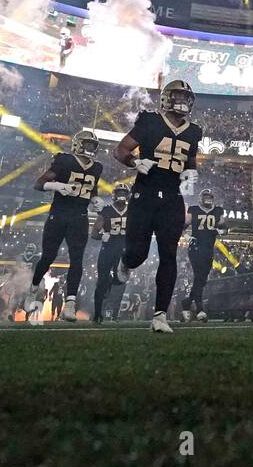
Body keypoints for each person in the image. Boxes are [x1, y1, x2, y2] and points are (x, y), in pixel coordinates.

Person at [112, 80, 203, 334]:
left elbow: (190, 160)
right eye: (178, 95)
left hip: (173, 198)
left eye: (186, 96)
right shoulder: (150, 121)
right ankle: (125, 262)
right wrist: (134, 162)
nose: (182, 101)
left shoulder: (194, 131)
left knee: (169, 254)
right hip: (145, 194)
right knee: (137, 254)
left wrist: (190, 174)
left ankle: (160, 315)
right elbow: (120, 150)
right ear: (166, 98)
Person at [26, 129, 102, 323]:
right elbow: (39, 183)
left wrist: (95, 200)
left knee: (77, 260)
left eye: (93, 145)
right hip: (59, 214)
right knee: (48, 256)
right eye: (88, 144)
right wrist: (57, 186)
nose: (90, 148)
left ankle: (70, 304)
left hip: (80, 216)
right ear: (78, 144)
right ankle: (33, 289)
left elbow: (92, 190)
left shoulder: (97, 167)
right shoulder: (65, 161)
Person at [183, 189, 223, 322]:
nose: (208, 199)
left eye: (210, 197)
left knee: (202, 279)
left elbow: (224, 227)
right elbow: (183, 225)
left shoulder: (218, 211)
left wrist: (220, 230)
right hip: (195, 247)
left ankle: (188, 302)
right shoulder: (194, 209)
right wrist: (186, 235)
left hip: (208, 249)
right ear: (201, 198)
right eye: (206, 196)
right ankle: (200, 309)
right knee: (199, 276)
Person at [91, 192, 127, 324]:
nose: (122, 196)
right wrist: (101, 236)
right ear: (114, 196)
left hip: (122, 252)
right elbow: (94, 233)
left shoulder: (132, 211)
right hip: (108, 250)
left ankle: (113, 313)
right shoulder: (106, 211)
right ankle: (97, 313)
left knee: (120, 281)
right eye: (120, 193)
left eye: (124, 194)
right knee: (102, 282)